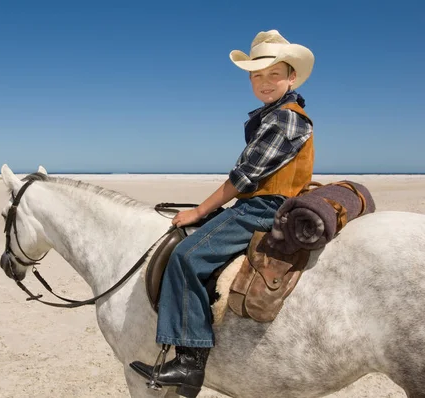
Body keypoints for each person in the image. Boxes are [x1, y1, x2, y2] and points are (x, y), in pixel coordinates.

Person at [129, 30, 316, 398]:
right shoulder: (274, 115)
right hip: (263, 200)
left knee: (185, 257)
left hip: (264, 207)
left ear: (291, 77)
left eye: (274, 74)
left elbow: (245, 177)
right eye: (257, 76)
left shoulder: (285, 119)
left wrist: (200, 209)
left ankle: (190, 362)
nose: (265, 82)